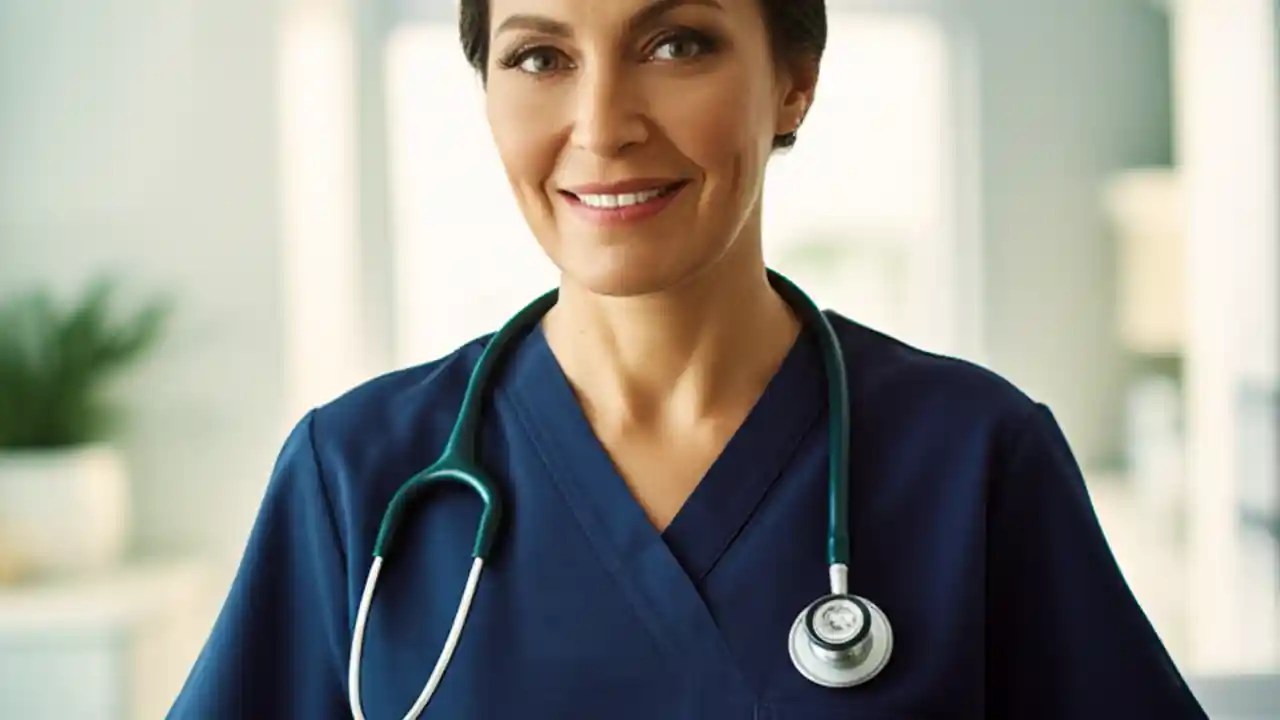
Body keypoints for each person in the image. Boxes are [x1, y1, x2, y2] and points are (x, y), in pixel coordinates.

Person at [168, 0, 1208, 717]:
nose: (602, 125)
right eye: (539, 56)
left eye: (675, 44)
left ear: (793, 80)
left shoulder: (971, 460)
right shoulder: (355, 476)